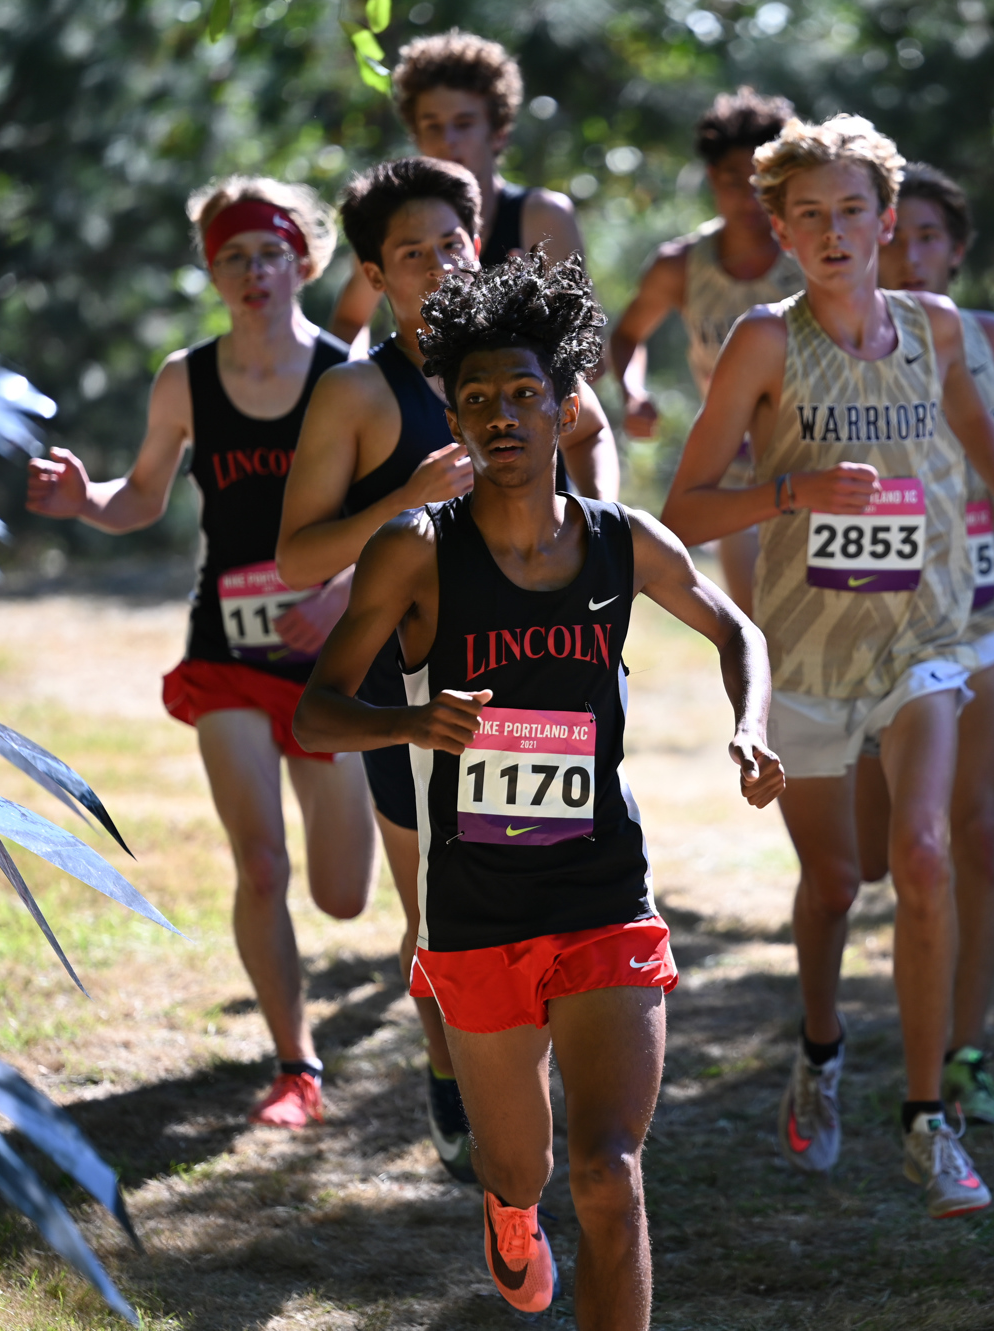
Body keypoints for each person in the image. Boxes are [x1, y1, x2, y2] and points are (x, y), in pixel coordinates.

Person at [295, 250, 783, 1326]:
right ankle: (507, 1211)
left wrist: (747, 726)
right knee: (522, 1167)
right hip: (476, 909)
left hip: (603, 887)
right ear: (452, 422)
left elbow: (735, 626)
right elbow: (314, 711)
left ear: (566, 407)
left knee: (609, 1174)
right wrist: (408, 719)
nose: (502, 417)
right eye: (476, 401)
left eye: (523, 394)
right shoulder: (413, 552)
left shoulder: (621, 542)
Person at [659, 115, 994, 1218]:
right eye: (809, 216)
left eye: (852, 211)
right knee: (835, 880)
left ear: (887, 222)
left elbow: (982, 437)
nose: (833, 233)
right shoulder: (761, 341)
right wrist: (789, 492)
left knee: (925, 849)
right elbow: (682, 507)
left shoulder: (935, 329)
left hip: (924, 636)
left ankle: (927, 1124)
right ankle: (821, 1045)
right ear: (781, 233)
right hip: (803, 654)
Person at [274, 155, 617, 1180]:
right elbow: (294, 557)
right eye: (409, 254)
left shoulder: (534, 362)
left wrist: (594, 561)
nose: (434, 265)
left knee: (560, 900)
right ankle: (447, 1070)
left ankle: (531, 1086)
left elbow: (590, 446)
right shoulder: (353, 392)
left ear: (484, 247)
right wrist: (406, 497)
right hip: (406, 692)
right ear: (375, 275)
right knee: (438, 915)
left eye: (450, 245)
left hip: (544, 683)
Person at [27, 177, 376, 1130]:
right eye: (233, 257)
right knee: (261, 863)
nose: (254, 272)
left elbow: (403, 521)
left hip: (333, 656)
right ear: (212, 270)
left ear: (303, 259)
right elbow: (140, 495)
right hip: (227, 643)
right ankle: (295, 1062)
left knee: (343, 895)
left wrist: (342, 595)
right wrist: (81, 499)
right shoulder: (186, 376)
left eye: (270, 253)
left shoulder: (352, 373)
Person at [852, 162, 994, 1127]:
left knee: (973, 832)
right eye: (901, 234)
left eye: (934, 235)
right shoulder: (839, 335)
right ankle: (885, 1017)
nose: (913, 253)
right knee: (869, 856)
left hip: (975, 612)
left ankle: (964, 1049)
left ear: (959, 246)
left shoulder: (987, 337)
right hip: (867, 624)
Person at [606, 87, 804, 617]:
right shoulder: (681, 266)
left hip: (815, 457)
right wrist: (632, 392)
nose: (749, 195)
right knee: (755, 620)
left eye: (763, 181)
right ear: (712, 180)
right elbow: (626, 336)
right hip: (733, 471)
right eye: (733, 180)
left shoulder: (814, 256)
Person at [326, 28, 585, 349]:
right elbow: (349, 324)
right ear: (416, 135)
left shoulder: (543, 215)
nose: (447, 141)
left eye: (463, 124)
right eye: (432, 125)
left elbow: (585, 343)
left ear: (499, 132)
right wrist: (364, 387)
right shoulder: (389, 221)